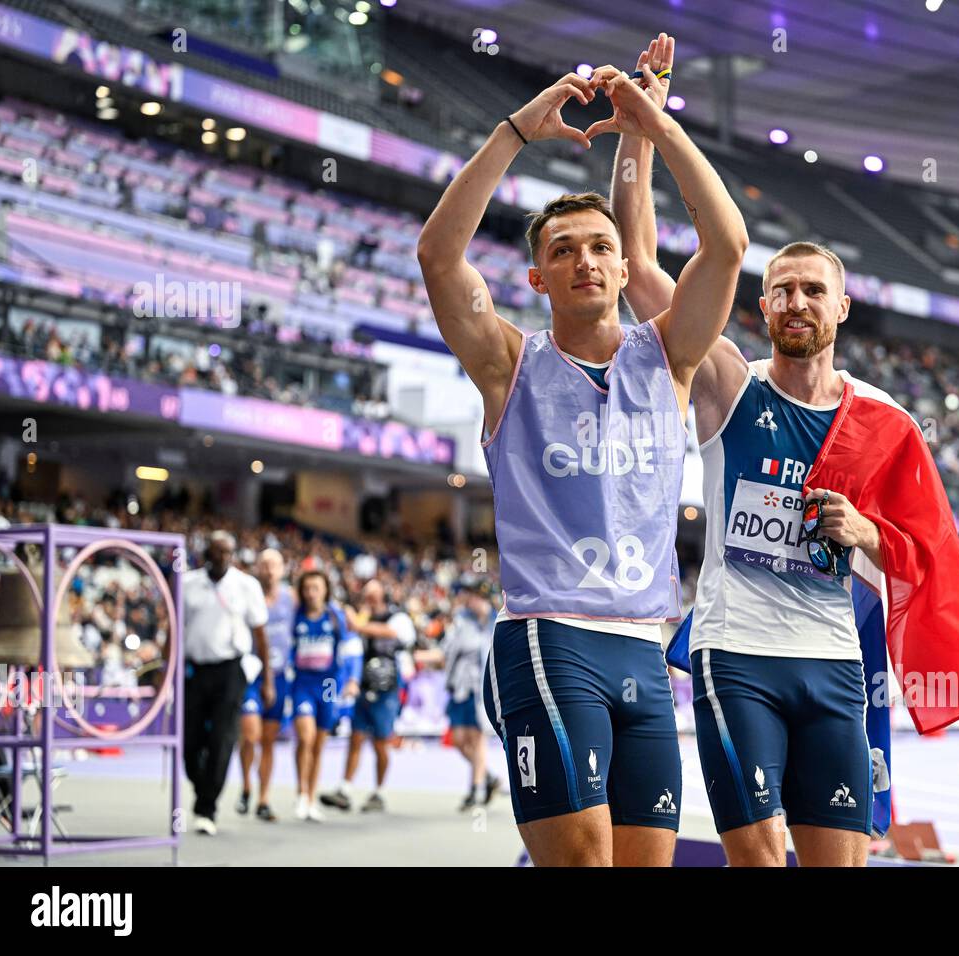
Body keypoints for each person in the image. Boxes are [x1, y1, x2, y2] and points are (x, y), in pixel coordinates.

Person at [611, 34, 959, 866]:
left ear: (842, 308)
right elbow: (638, 265)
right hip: (735, 654)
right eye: (781, 289)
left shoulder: (885, 420)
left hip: (834, 664)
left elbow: (928, 553)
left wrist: (864, 534)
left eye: (814, 289)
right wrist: (641, 125)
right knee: (759, 859)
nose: (795, 300)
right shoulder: (730, 385)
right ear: (764, 305)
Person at [416, 57, 747, 866]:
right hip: (547, 636)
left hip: (642, 641)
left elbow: (728, 244)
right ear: (538, 276)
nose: (587, 261)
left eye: (602, 247)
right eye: (565, 251)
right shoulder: (509, 365)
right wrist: (516, 133)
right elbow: (437, 256)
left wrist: (656, 126)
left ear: (626, 268)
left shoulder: (670, 357)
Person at [181, 530, 271, 836]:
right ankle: (202, 783)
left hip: (231, 671)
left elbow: (261, 636)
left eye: (227, 552)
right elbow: (174, 630)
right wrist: (166, 671)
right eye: (216, 551)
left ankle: (207, 808)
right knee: (190, 741)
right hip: (195, 670)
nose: (221, 557)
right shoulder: (187, 583)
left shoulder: (246, 586)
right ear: (206, 552)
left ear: (232, 555)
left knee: (222, 739)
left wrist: (267, 678)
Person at [318, 579, 415, 814]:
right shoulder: (360, 619)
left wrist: (358, 626)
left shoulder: (397, 617)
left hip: (387, 688)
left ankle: (379, 792)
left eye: (373, 594)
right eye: (366, 595)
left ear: (382, 595)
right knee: (356, 737)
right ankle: (345, 788)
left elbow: (394, 634)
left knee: (381, 741)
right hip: (363, 686)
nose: (369, 599)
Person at [417, 583, 501, 811]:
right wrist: (420, 656)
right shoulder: (461, 622)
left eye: (477, 597)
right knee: (457, 740)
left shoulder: (495, 623)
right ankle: (488, 777)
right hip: (459, 687)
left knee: (476, 739)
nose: (472, 601)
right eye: (471, 597)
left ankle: (475, 790)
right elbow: (445, 652)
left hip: (481, 691)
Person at [289, 569, 360, 822]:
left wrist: (353, 678)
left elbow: (352, 647)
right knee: (305, 738)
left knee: (319, 743)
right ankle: (300, 793)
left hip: (329, 683)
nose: (311, 593)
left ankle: (311, 797)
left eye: (316, 588)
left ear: (325, 590)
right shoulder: (295, 615)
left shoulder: (335, 616)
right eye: (307, 588)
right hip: (302, 683)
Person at [236, 549, 295, 822]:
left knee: (269, 741)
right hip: (252, 674)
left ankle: (263, 798)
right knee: (250, 736)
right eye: (265, 564)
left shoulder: (291, 598)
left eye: (275, 565)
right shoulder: (247, 594)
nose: (270, 570)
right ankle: (246, 785)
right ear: (257, 568)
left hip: (281, 675)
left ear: (283, 569)